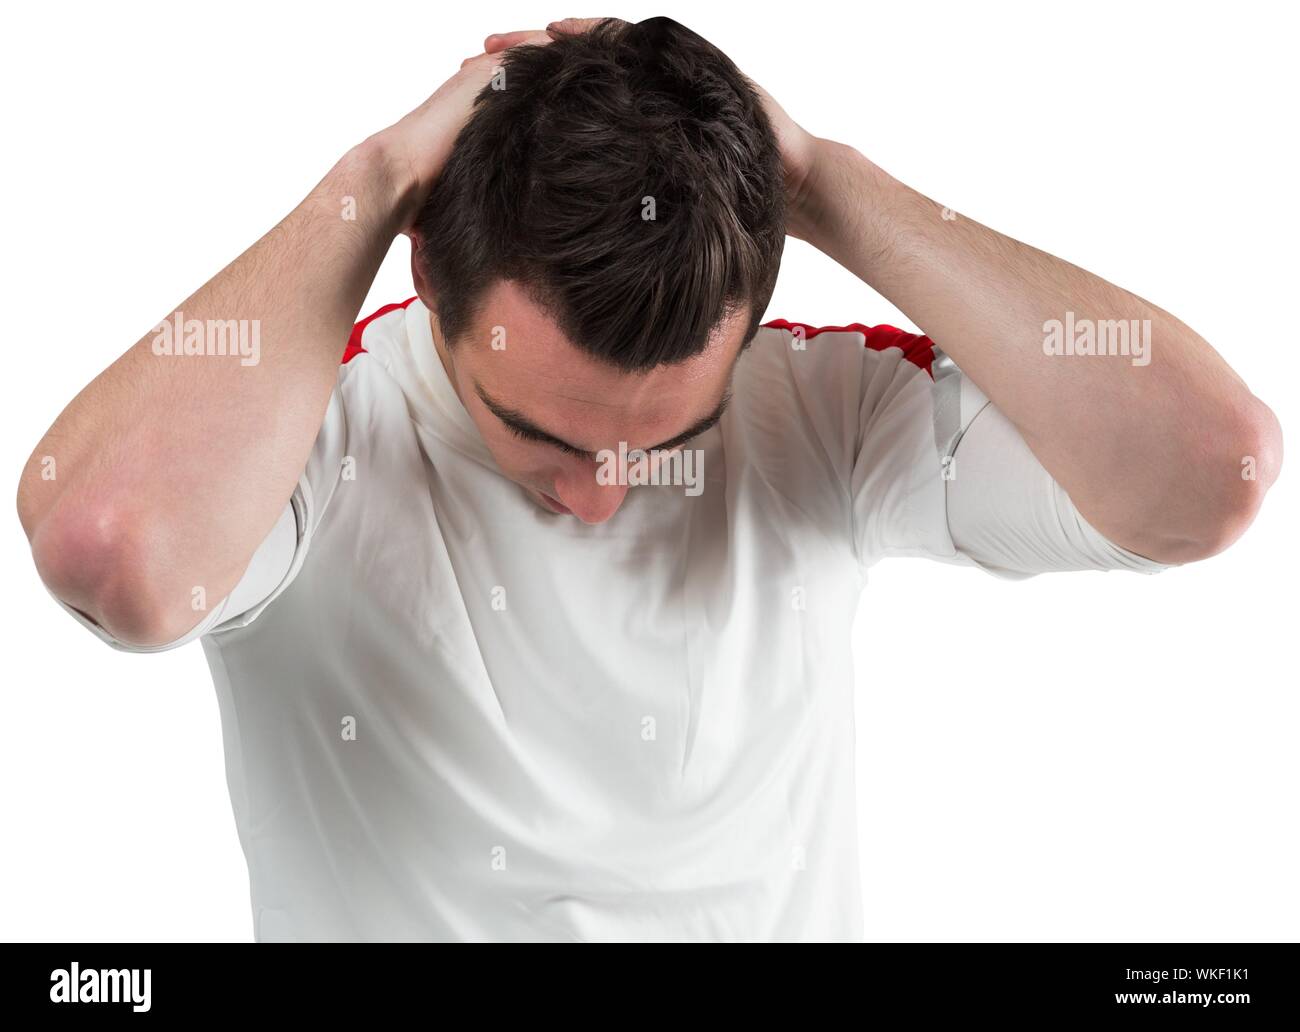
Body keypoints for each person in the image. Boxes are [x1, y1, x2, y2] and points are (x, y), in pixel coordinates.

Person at [15, 17, 1282, 941]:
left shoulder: (820, 408)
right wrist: (373, 178)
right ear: (425, 278)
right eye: (540, 435)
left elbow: (1206, 472)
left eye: (666, 441)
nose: (600, 496)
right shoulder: (308, 435)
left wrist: (822, 182)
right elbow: (112, 549)